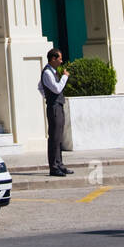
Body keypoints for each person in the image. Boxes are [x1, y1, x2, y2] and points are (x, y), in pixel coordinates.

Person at [39, 48, 73, 176]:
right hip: (54, 108)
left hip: (58, 105)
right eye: (59, 58)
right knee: (54, 137)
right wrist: (65, 77)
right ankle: (53, 167)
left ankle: (60, 164)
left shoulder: (52, 72)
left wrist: (47, 95)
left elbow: (40, 86)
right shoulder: (47, 72)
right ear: (53, 59)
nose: (61, 61)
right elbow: (57, 88)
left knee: (59, 137)